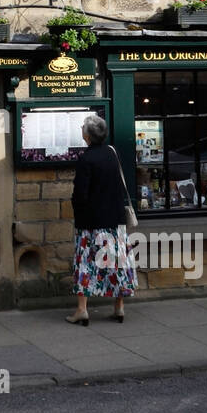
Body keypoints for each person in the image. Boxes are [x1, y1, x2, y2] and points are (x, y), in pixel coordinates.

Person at [66, 113, 138, 325]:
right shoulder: (112, 153)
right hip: (115, 221)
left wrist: (77, 210)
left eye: (82, 128)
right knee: (116, 263)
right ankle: (119, 307)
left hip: (91, 223)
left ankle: (82, 310)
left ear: (87, 135)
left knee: (85, 265)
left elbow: (81, 194)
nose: (81, 130)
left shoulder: (86, 159)